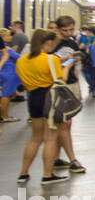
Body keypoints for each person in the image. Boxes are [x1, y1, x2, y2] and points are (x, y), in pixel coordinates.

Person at [15, 30, 70, 185]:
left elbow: (23, 81)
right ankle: (47, 174)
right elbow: (61, 80)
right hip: (49, 99)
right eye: (53, 43)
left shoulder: (21, 60)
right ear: (47, 42)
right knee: (51, 138)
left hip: (33, 98)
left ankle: (23, 173)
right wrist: (67, 66)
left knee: (35, 138)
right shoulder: (50, 59)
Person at [51, 16, 88, 174]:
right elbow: (49, 63)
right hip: (58, 84)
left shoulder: (72, 43)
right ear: (58, 29)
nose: (68, 33)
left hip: (70, 83)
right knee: (63, 125)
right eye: (64, 30)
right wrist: (66, 59)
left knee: (65, 124)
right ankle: (72, 159)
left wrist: (78, 87)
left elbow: (73, 67)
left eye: (71, 30)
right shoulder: (52, 43)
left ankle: (56, 158)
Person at [0, 29, 20, 122]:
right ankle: (5, 116)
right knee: (7, 95)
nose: (11, 37)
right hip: (9, 73)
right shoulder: (6, 48)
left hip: (4, 72)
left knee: (10, 93)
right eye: (8, 35)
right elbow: (18, 57)